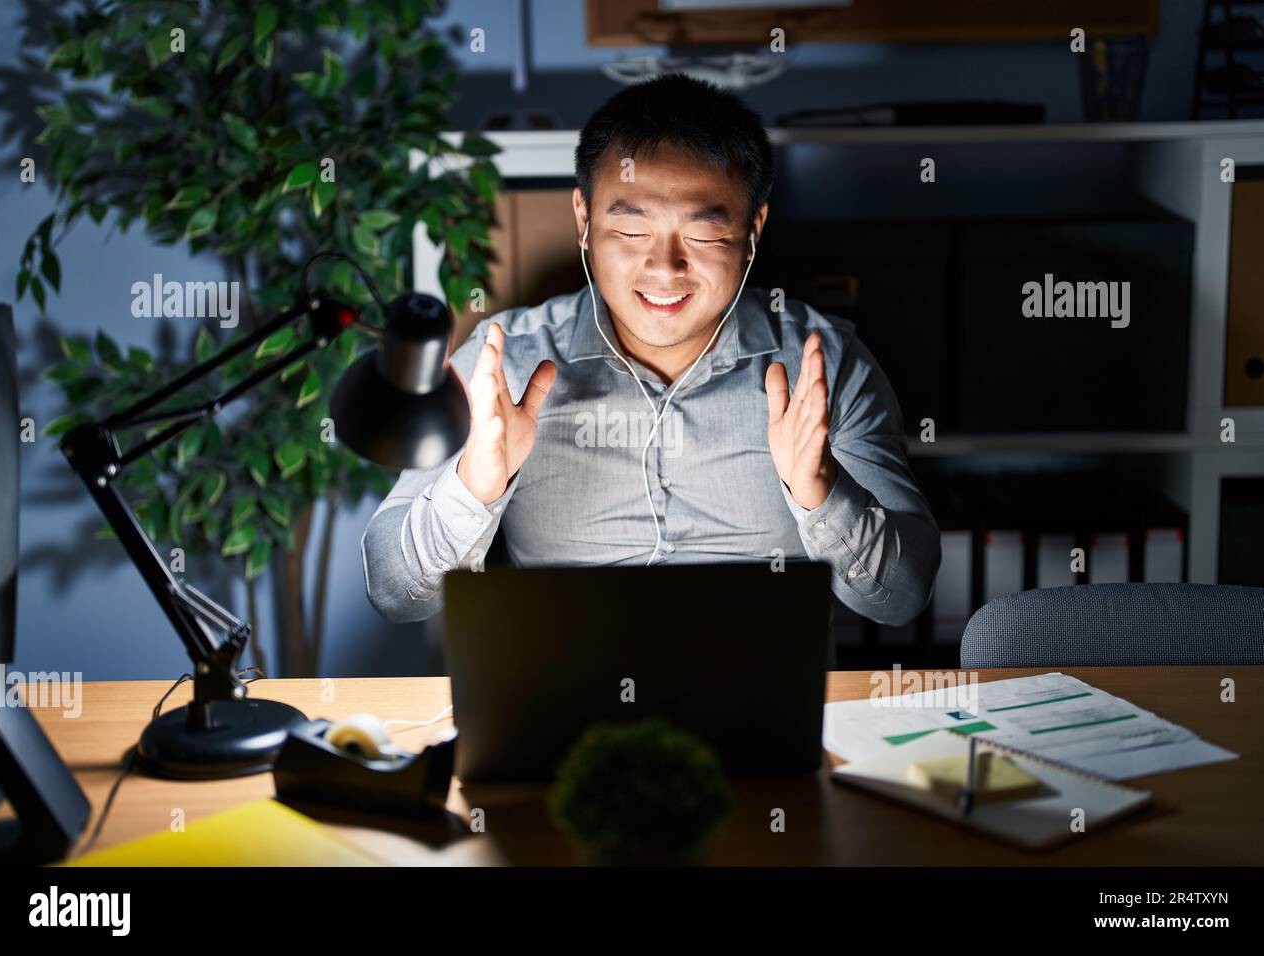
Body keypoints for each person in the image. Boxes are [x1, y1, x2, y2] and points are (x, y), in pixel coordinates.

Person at [362, 74, 940, 626]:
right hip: (562, 700)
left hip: (757, 705)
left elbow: (902, 600)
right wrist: (473, 487)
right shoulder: (503, 360)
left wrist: (820, 491)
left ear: (753, 228)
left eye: (703, 232)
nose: (665, 267)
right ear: (584, 220)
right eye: (632, 231)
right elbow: (393, 592)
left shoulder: (824, 362)